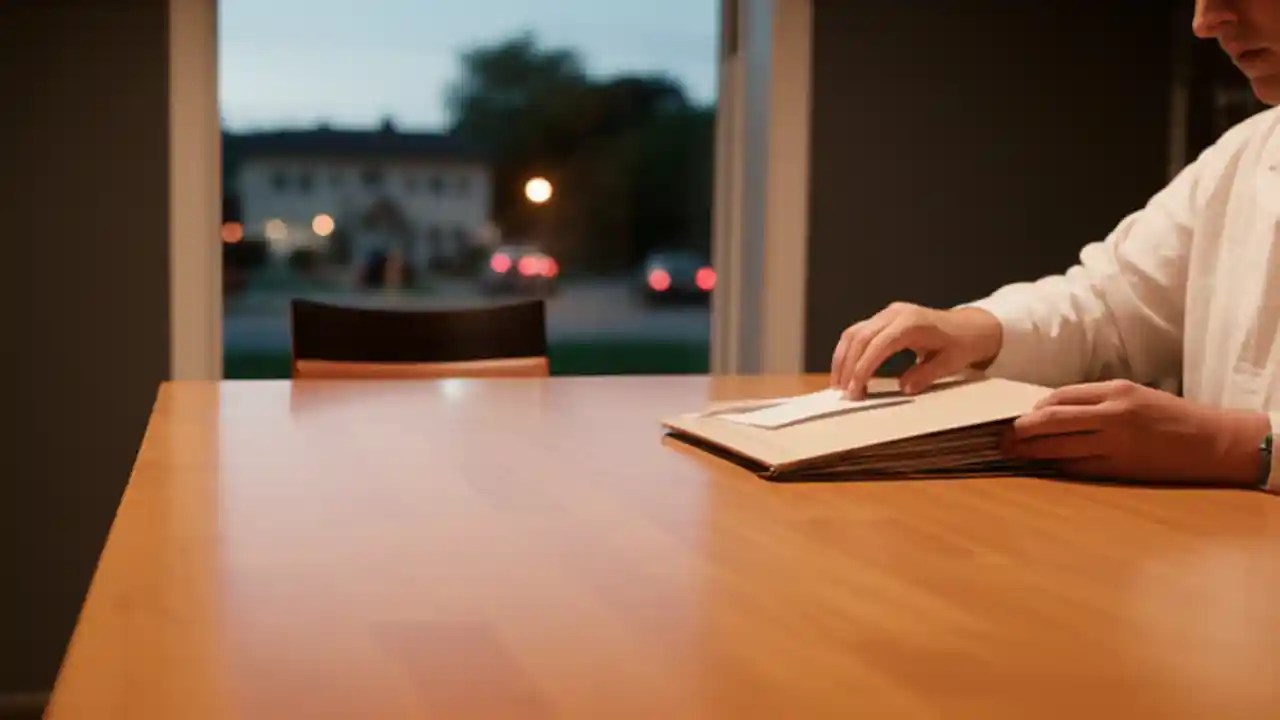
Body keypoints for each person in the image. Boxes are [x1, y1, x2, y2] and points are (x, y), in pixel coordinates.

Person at [829, 0, 1280, 492]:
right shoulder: (1247, 154)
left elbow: (1229, 443)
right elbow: (1112, 308)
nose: (1204, 22)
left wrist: (1228, 445)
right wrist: (975, 330)